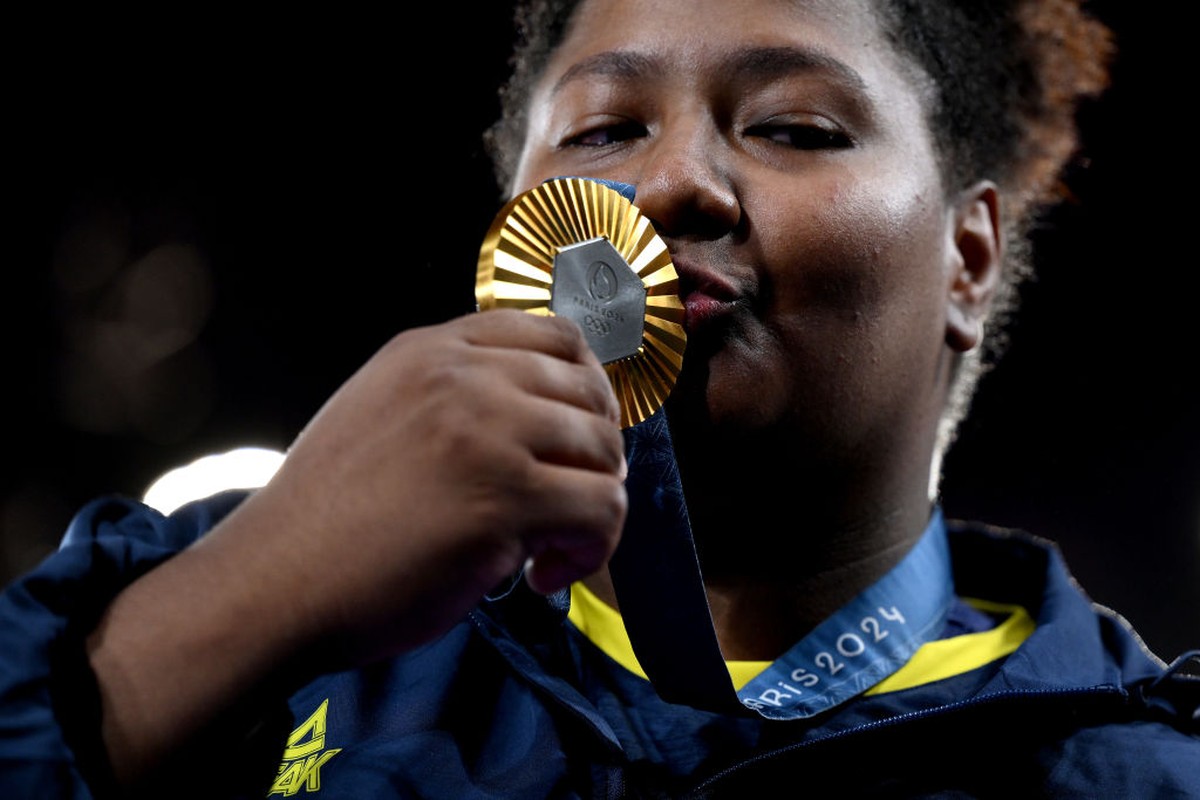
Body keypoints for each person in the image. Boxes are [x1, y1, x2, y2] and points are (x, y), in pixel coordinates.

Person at [2, 0, 1198, 796]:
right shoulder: (223, 602)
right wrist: (246, 594)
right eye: (603, 130)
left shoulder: (1139, 768)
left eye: (794, 127)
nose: (672, 180)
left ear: (968, 259)